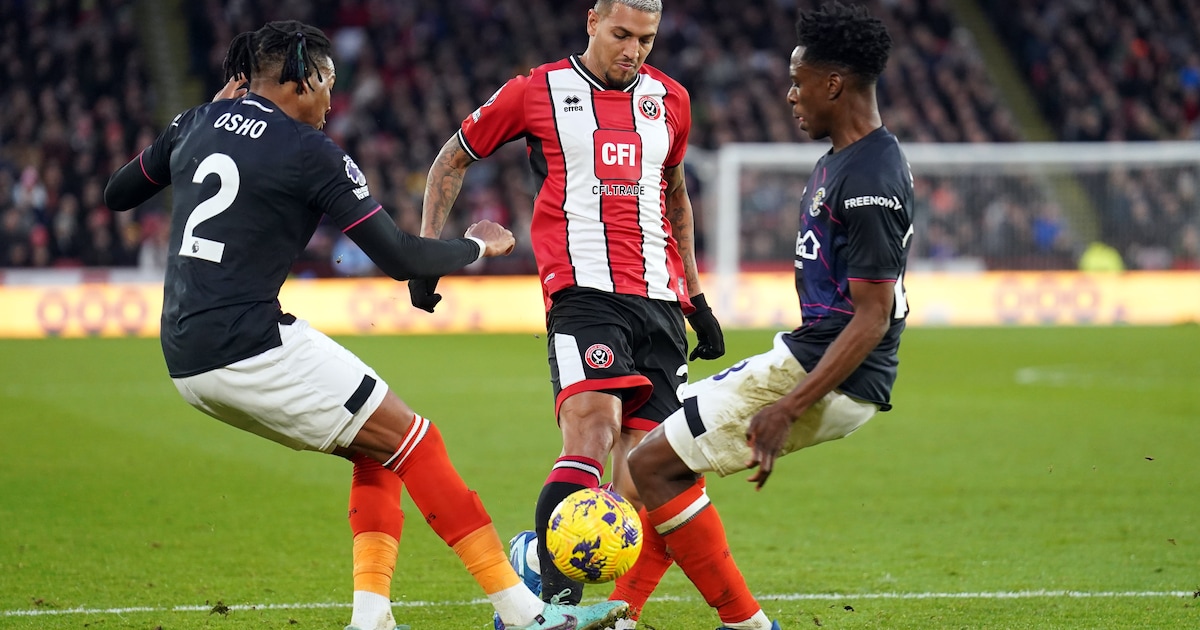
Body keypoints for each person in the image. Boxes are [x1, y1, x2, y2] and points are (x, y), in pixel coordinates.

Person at [103, 20, 629, 630]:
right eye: (328, 83)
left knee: (379, 452)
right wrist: (474, 246)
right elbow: (400, 256)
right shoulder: (310, 152)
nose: (332, 100)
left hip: (185, 353)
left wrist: (197, 123)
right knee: (420, 441)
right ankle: (525, 613)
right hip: (246, 343)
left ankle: (371, 618)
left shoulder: (194, 121)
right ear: (302, 81)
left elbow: (120, 193)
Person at [409, 0, 725, 618]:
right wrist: (427, 255)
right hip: (581, 293)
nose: (633, 50)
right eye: (621, 34)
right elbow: (451, 159)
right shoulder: (538, 91)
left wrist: (696, 297)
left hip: (659, 300)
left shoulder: (672, 101)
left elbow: (677, 198)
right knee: (591, 430)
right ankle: (550, 608)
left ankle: (537, 560)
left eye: (647, 39)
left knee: (642, 479)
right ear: (591, 22)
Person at [624, 3, 912, 629]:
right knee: (666, 467)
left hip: (826, 369)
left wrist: (786, 406)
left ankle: (745, 624)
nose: (789, 93)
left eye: (798, 77)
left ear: (832, 83)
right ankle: (623, 609)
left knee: (649, 463)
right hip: (813, 357)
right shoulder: (844, 160)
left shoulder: (871, 180)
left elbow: (872, 317)